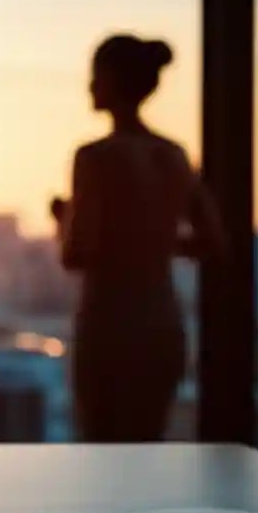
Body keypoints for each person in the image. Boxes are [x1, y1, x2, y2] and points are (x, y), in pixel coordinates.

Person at [51, 33, 227, 442]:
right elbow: (213, 243)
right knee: (148, 449)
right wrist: (154, 241)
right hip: (161, 323)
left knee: (103, 455)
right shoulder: (173, 154)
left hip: (109, 326)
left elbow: (77, 254)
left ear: (113, 80)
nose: (89, 86)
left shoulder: (94, 158)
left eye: (95, 76)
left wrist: (63, 219)